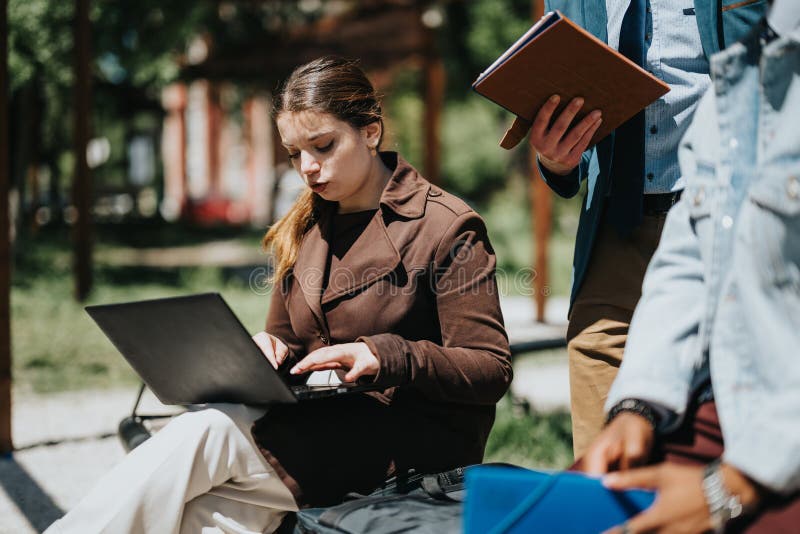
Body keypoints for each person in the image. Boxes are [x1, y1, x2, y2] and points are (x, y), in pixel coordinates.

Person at [46, 56, 512, 534]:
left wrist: (384, 355)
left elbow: (490, 367)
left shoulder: (447, 226)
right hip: (317, 433)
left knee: (208, 429)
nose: (307, 168)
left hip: (403, 449)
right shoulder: (308, 223)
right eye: (293, 153)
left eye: (323, 146)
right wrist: (271, 348)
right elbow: (287, 334)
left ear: (370, 131)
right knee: (197, 516)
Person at [508, 0, 766, 457]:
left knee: (727, 403)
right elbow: (567, 107)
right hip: (616, 222)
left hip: (726, 219)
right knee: (594, 356)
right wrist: (554, 160)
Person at [578, 3, 800, 531]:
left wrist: (739, 485)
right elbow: (695, 254)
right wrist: (639, 406)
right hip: (730, 407)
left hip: (779, 439)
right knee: (587, 508)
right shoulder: (743, 72)